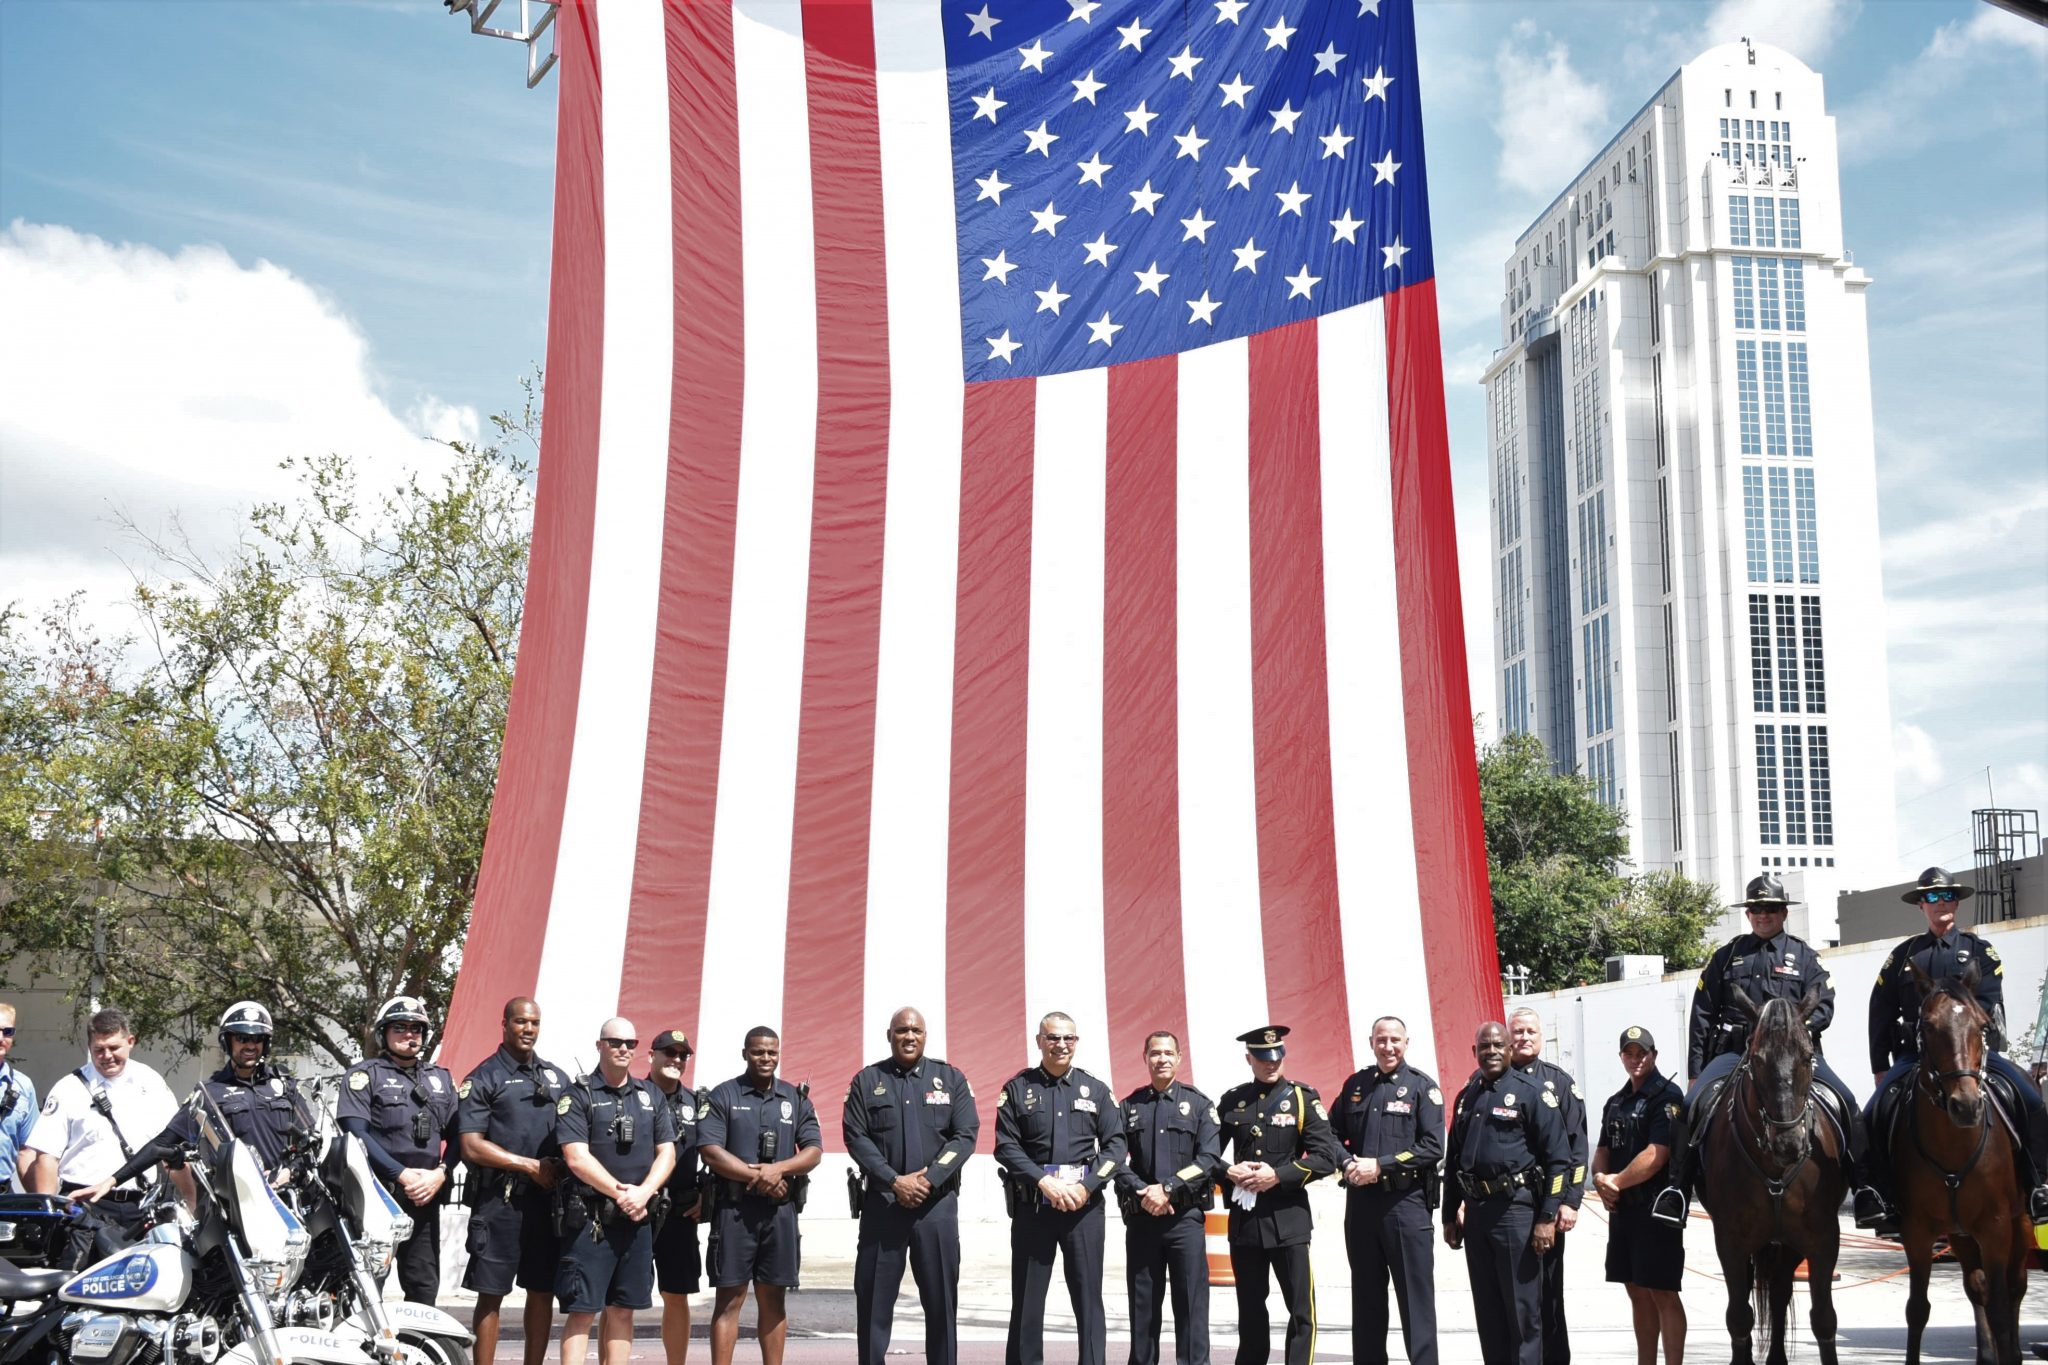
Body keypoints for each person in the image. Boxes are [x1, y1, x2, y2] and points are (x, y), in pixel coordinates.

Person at [1650, 874, 1877, 1225]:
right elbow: (1702, 1014)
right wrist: (1696, 1072)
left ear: (1783, 913)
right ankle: (1677, 1191)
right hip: (1734, 1053)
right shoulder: (1726, 957)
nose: (1763, 915)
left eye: (1770, 909)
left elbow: (1824, 1004)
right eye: (1756, 909)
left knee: (1845, 1102)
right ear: (1748, 914)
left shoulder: (1805, 957)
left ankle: (1864, 1188)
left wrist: (1793, 1035)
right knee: (1691, 1106)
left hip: (1793, 1057)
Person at [1863, 866, 2048, 1225]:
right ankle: (1879, 1195)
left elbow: (1989, 1003)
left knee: (2031, 1100)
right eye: (1931, 897)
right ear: (1921, 906)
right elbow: (1880, 1010)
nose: (1939, 903)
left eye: (1946, 896)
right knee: (1872, 1113)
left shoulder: (1980, 951)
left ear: (1956, 903)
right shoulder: (1903, 956)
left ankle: (2039, 1185)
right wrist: (1879, 1065)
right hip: (1916, 1056)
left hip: (1971, 1057)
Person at [842, 1007, 981, 1365]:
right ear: (889, 1035)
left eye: (916, 1030)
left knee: (941, 1306)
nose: (909, 1036)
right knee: (873, 1303)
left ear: (925, 1035)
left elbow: (965, 1136)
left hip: (936, 1210)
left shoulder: (950, 1079)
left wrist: (929, 1178)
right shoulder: (866, 1081)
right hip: (883, 1208)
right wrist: (893, 1179)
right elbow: (856, 1138)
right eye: (901, 1030)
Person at [993, 1011, 1127, 1365]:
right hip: (1034, 1207)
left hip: (1083, 1210)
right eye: (1053, 1037)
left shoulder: (1096, 1090)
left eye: (1068, 1038)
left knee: (1088, 1299)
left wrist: (1087, 1186)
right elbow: (1006, 1147)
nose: (1061, 1045)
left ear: (1076, 1042)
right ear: (1039, 1041)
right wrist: (1043, 1181)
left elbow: (1115, 1147)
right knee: (1027, 1300)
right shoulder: (1018, 1089)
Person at [1443, 1021, 1571, 1365]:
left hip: (1516, 1213)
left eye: (1499, 1046)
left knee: (1523, 1315)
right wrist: (1448, 1216)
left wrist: (1546, 1218)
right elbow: (1454, 1159)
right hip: (1477, 1216)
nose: (1492, 1052)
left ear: (1510, 1050)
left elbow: (1560, 1160)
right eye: (1484, 1047)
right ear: (1475, 1052)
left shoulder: (1533, 1093)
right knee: (1489, 1313)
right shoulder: (1467, 1096)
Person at [84, 1001, 308, 1197]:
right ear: (227, 1042)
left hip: (289, 1198)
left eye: (257, 1039)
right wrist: (112, 1181)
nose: (250, 1045)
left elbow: (310, 1143)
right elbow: (162, 1143)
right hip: (239, 1206)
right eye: (242, 1038)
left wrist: (287, 1174)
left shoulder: (285, 1087)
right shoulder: (209, 1093)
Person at [1214, 1024, 1342, 1365]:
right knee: (1251, 1310)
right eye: (1262, 1058)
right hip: (1246, 1223)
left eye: (1277, 1057)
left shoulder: (1303, 1099)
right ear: (1249, 1059)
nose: (1271, 1064)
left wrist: (1278, 1175)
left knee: (1301, 1311)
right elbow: (1207, 1154)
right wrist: (1229, 1171)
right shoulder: (1233, 1100)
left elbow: (1325, 1157)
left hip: (1289, 1222)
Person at [698, 1026, 824, 1365]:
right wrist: (760, 1174)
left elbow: (813, 1151)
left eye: (771, 1052)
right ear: (745, 1053)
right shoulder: (724, 1095)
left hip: (779, 1215)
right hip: (735, 1214)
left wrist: (779, 1169)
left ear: (779, 1053)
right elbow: (710, 1151)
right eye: (757, 1052)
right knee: (729, 1300)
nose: (765, 1058)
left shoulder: (795, 1099)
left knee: (774, 1301)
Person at [555, 1017, 677, 1365]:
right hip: (591, 1223)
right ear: (600, 1045)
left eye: (630, 1044)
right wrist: (621, 1193)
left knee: (623, 1310)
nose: (624, 1049)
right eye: (615, 1042)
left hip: (637, 1220)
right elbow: (576, 1157)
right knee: (582, 1312)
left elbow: (667, 1152)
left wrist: (644, 1193)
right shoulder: (579, 1094)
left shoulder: (650, 1094)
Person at [458, 997, 571, 1365]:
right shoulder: (483, 1076)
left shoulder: (556, 1077)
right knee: (491, 1294)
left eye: (535, 1023)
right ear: (504, 1023)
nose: (529, 1029)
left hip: (546, 1203)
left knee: (542, 1291)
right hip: (499, 1204)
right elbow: (471, 1146)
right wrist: (528, 1166)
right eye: (521, 1022)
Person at [1329, 1015, 1444, 1365]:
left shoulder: (1423, 1087)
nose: (1388, 1046)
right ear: (1371, 1043)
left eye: (1395, 1040)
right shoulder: (1355, 1085)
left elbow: (1432, 1146)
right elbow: (1328, 1134)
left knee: (1416, 1303)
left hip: (1406, 1206)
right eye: (1381, 1040)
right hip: (1362, 1207)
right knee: (1366, 1302)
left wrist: (1381, 1165)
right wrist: (1347, 1163)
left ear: (1407, 1043)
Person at [24, 1007, 187, 1243]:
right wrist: (51, 1215)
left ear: (130, 1042)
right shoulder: (68, 1089)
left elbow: (173, 1144)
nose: (107, 1056)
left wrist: (191, 1203)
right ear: (89, 1048)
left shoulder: (151, 1082)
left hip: (139, 1208)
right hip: (86, 1207)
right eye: (98, 1050)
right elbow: (46, 1157)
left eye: (114, 1048)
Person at [337, 996, 460, 1303]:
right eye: (400, 1028)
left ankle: (418, 1350)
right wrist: (402, 1174)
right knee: (368, 1286)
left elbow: (461, 1136)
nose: (409, 1035)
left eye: (416, 1029)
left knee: (423, 1286)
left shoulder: (441, 1079)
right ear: (384, 1033)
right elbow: (356, 1132)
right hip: (377, 1196)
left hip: (425, 1197)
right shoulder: (364, 1075)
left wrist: (441, 1174)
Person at [1114, 1030, 1221, 1365]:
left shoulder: (1200, 1104)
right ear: (1144, 1058)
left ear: (1179, 1058)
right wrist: (1142, 1190)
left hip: (1184, 1222)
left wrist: (1169, 1187)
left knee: (1191, 1307)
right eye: (1155, 1053)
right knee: (1142, 1308)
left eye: (1168, 1053)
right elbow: (1113, 1158)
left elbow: (1207, 1160)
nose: (1161, 1059)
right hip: (1143, 1219)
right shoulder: (1129, 1106)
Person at [1591, 1027, 1686, 1365]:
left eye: (1642, 1052)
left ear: (1654, 1055)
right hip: (1624, 1212)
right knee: (1636, 1291)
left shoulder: (1667, 1097)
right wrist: (1600, 1178)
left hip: (1655, 1212)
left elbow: (1655, 1156)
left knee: (1663, 1293)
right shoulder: (1615, 1102)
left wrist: (1615, 1182)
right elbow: (1602, 1149)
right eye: (1629, 1053)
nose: (1636, 1059)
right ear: (1621, 1057)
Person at [1505, 1009, 1587, 1365]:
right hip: (1507, 1208)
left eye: (1531, 1031)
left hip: (1547, 1206)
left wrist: (1571, 1201)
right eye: (1518, 1031)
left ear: (1541, 1036)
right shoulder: (1495, 1080)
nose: (1524, 1037)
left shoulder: (1559, 1083)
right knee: (1513, 1295)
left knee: (1548, 1295)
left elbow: (1577, 1149)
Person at [646, 1029, 705, 1365]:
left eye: (682, 1055)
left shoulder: (697, 1104)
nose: (676, 1060)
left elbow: (713, 1151)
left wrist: (704, 1194)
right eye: (669, 1052)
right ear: (651, 1055)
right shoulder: (633, 1095)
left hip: (679, 1212)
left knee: (677, 1295)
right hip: (635, 1210)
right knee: (620, 1299)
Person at [0, 1001, 39, 1191]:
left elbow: (26, 1151)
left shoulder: (22, 1086)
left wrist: (38, 1200)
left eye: (7, 1032)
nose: (1, 1038)